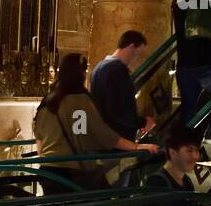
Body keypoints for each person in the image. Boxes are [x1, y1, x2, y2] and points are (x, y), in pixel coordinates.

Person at [34, 52, 158, 192]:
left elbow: (39, 141)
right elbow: (101, 134)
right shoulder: (80, 101)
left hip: (48, 172)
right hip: (71, 174)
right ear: (80, 74)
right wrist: (136, 147)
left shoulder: (47, 102)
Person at [90, 30, 155, 142]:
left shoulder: (99, 67)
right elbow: (119, 109)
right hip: (116, 137)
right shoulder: (118, 71)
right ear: (131, 47)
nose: (136, 58)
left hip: (101, 134)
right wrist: (143, 122)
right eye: (138, 54)